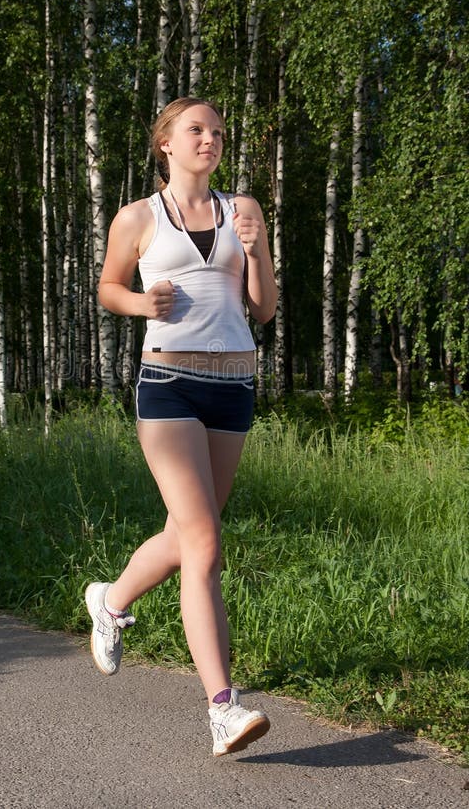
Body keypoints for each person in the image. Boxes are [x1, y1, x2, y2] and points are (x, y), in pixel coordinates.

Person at [85, 96, 278, 757]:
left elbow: (264, 308)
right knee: (204, 543)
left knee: (186, 536)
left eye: (219, 131)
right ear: (165, 142)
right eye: (197, 129)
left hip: (234, 384)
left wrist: (254, 254)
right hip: (167, 383)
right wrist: (142, 301)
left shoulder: (243, 211)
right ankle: (223, 708)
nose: (211, 139)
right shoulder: (138, 217)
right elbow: (109, 286)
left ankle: (109, 601)